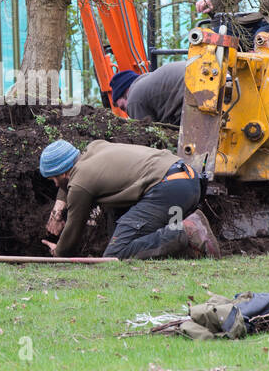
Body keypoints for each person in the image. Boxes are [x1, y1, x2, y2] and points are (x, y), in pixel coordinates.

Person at [39, 138, 220, 260]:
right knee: (119, 223)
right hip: (186, 180)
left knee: (116, 254)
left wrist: (59, 252)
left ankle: (184, 232)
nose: (55, 185)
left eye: (53, 179)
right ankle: (189, 245)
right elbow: (71, 182)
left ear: (63, 173)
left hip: (167, 188)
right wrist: (58, 208)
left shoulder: (80, 183)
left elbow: (73, 228)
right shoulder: (95, 148)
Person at [110, 62, 188, 127]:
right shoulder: (149, 80)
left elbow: (147, 136)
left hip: (189, 96)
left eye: (123, 108)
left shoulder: (133, 99)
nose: (128, 113)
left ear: (126, 91)